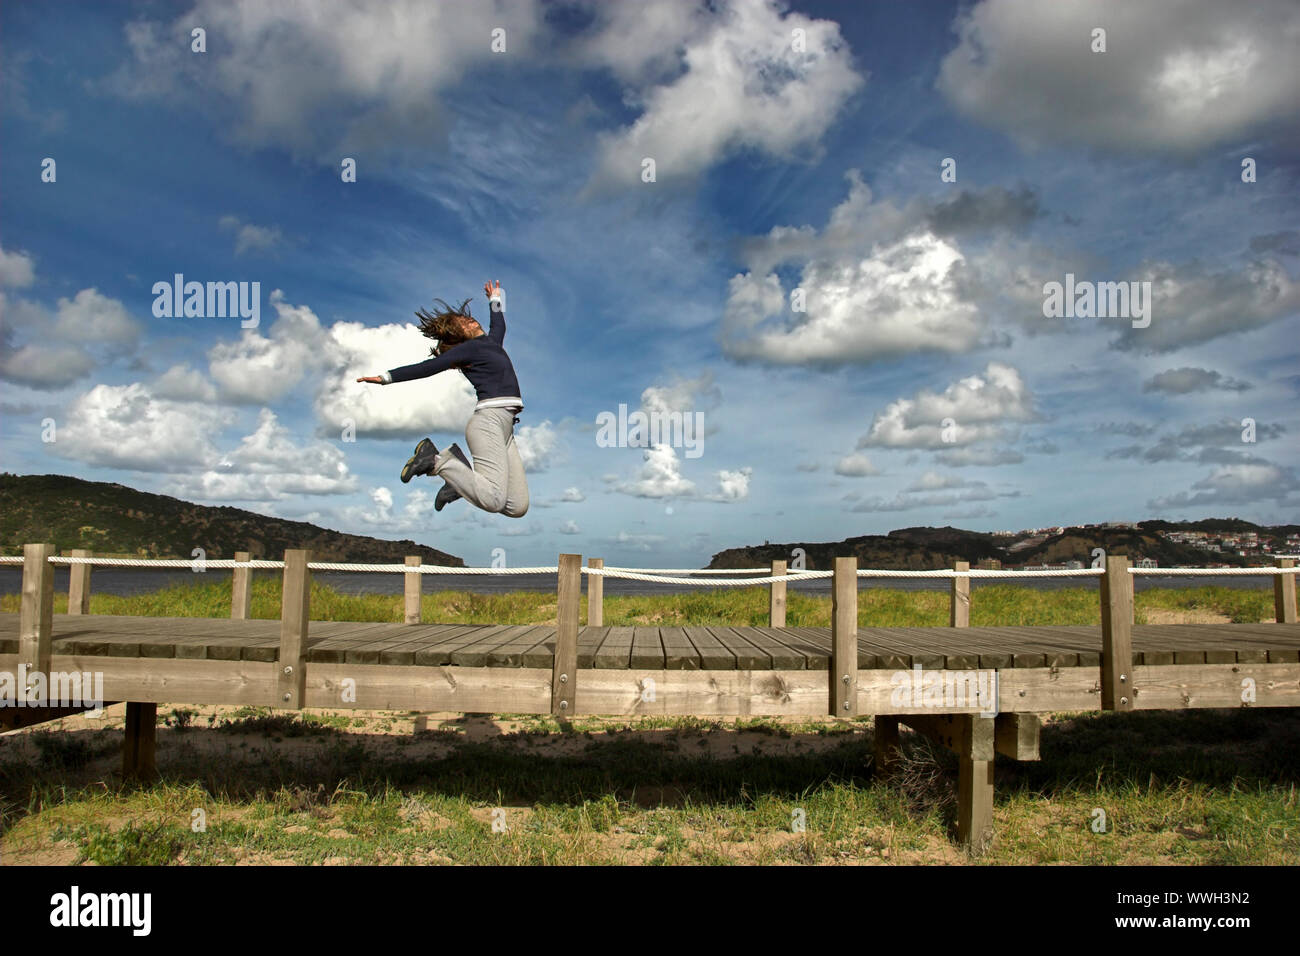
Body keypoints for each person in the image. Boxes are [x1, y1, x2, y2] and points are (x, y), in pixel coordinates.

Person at [356, 279, 528, 518]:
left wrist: (494, 299)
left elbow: (498, 326)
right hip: (488, 422)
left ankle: (458, 480)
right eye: (464, 322)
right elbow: (428, 367)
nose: (471, 320)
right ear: (459, 337)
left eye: (468, 317)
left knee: (517, 506)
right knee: (494, 500)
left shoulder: (490, 344)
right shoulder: (468, 350)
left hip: (506, 428)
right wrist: (386, 377)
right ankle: (435, 460)